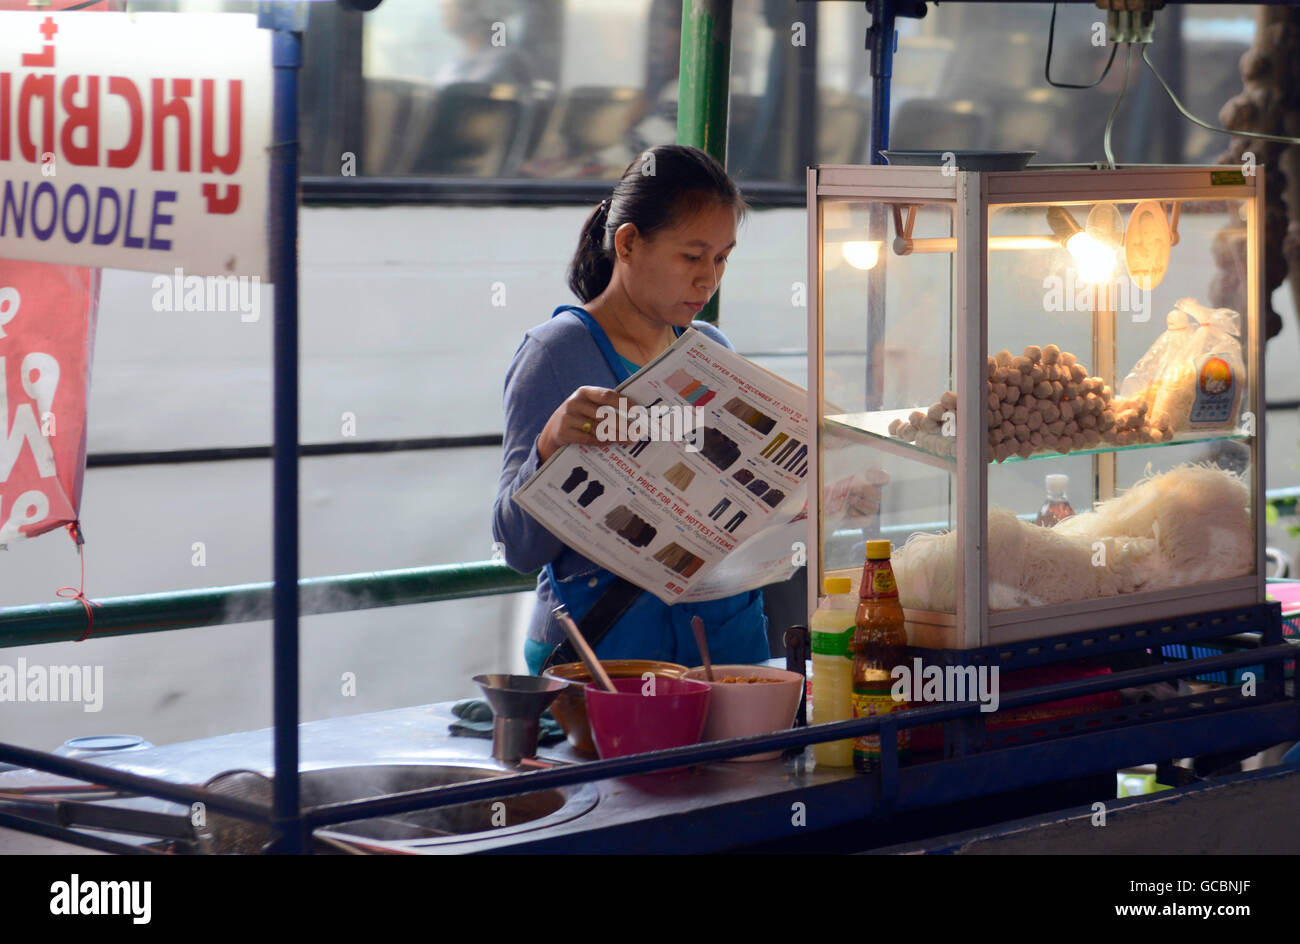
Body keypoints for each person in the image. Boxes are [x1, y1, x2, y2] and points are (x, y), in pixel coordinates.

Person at [493, 145, 770, 676]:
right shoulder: (555, 353)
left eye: (722, 257)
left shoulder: (711, 349)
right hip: (609, 660)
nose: (708, 279)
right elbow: (516, 547)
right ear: (628, 243)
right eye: (691, 257)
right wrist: (550, 447)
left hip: (723, 646)